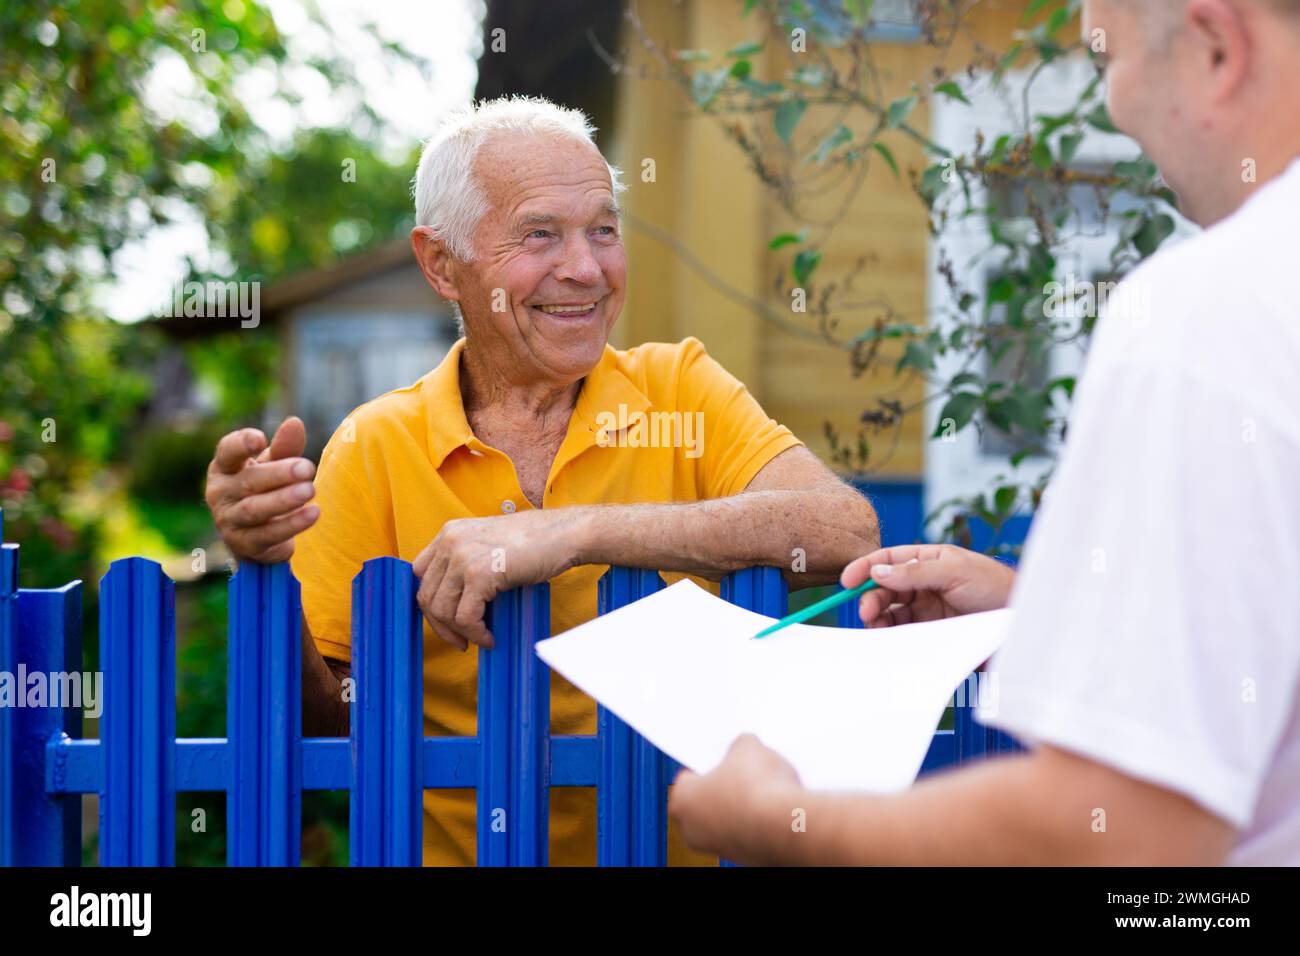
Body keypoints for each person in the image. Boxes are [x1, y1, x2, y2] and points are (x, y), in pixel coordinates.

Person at [668, 0, 1300, 866]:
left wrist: (777, 822)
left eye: (1108, 59)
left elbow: (1124, 834)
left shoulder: (1213, 312)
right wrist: (1032, 616)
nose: (1111, 107)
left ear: (1218, 46)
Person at [202, 96, 881, 865]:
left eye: (604, 229)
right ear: (439, 263)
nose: (586, 269)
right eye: (539, 234)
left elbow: (843, 532)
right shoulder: (376, 445)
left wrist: (573, 531)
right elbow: (328, 731)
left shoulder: (681, 387)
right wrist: (266, 564)